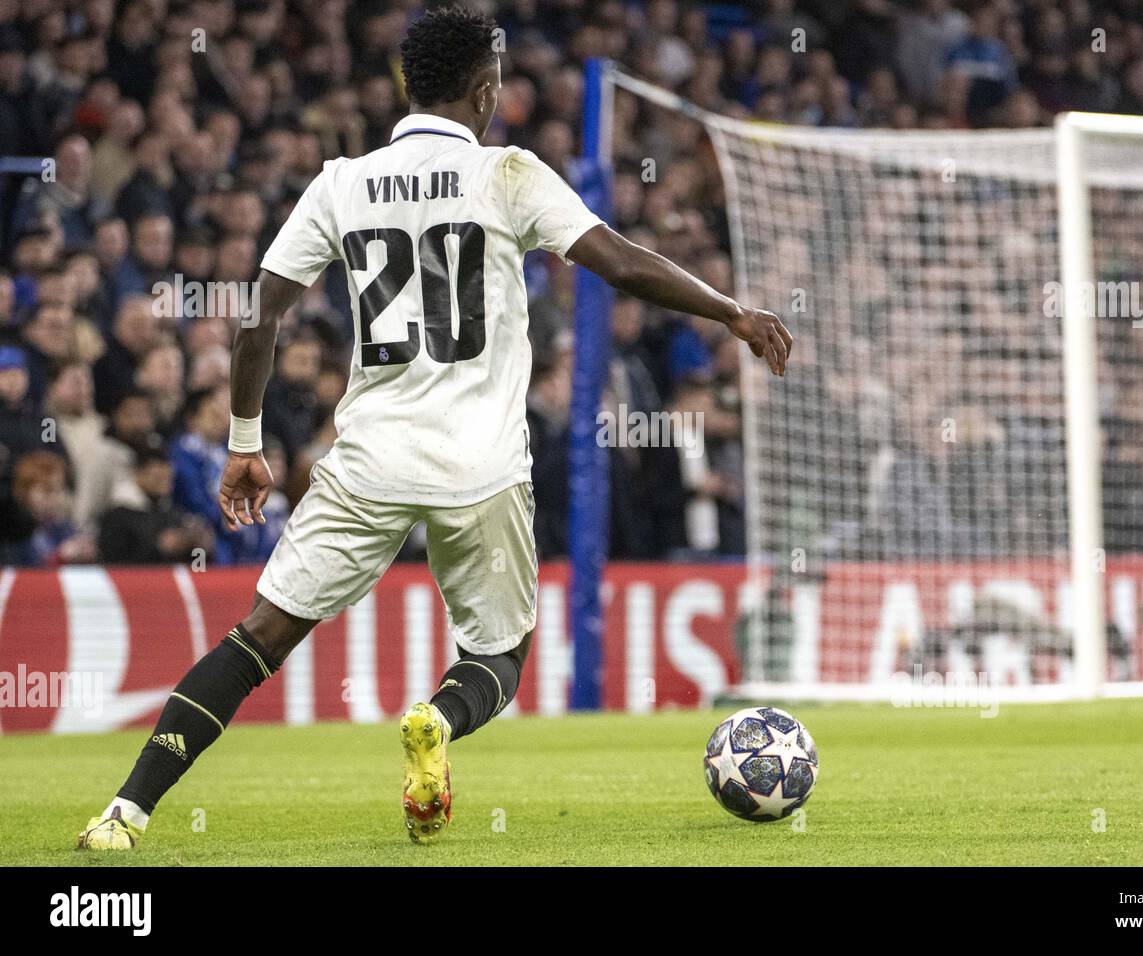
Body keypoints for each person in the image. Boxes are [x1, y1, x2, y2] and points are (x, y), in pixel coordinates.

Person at [77, 6, 791, 851]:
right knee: (501, 654)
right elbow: (620, 261)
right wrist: (731, 311)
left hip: (370, 458)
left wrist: (244, 442)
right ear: (485, 92)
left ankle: (125, 812)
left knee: (258, 638)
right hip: (482, 465)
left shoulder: (340, 182)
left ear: (404, 88)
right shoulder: (508, 174)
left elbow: (257, 319)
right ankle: (438, 721)